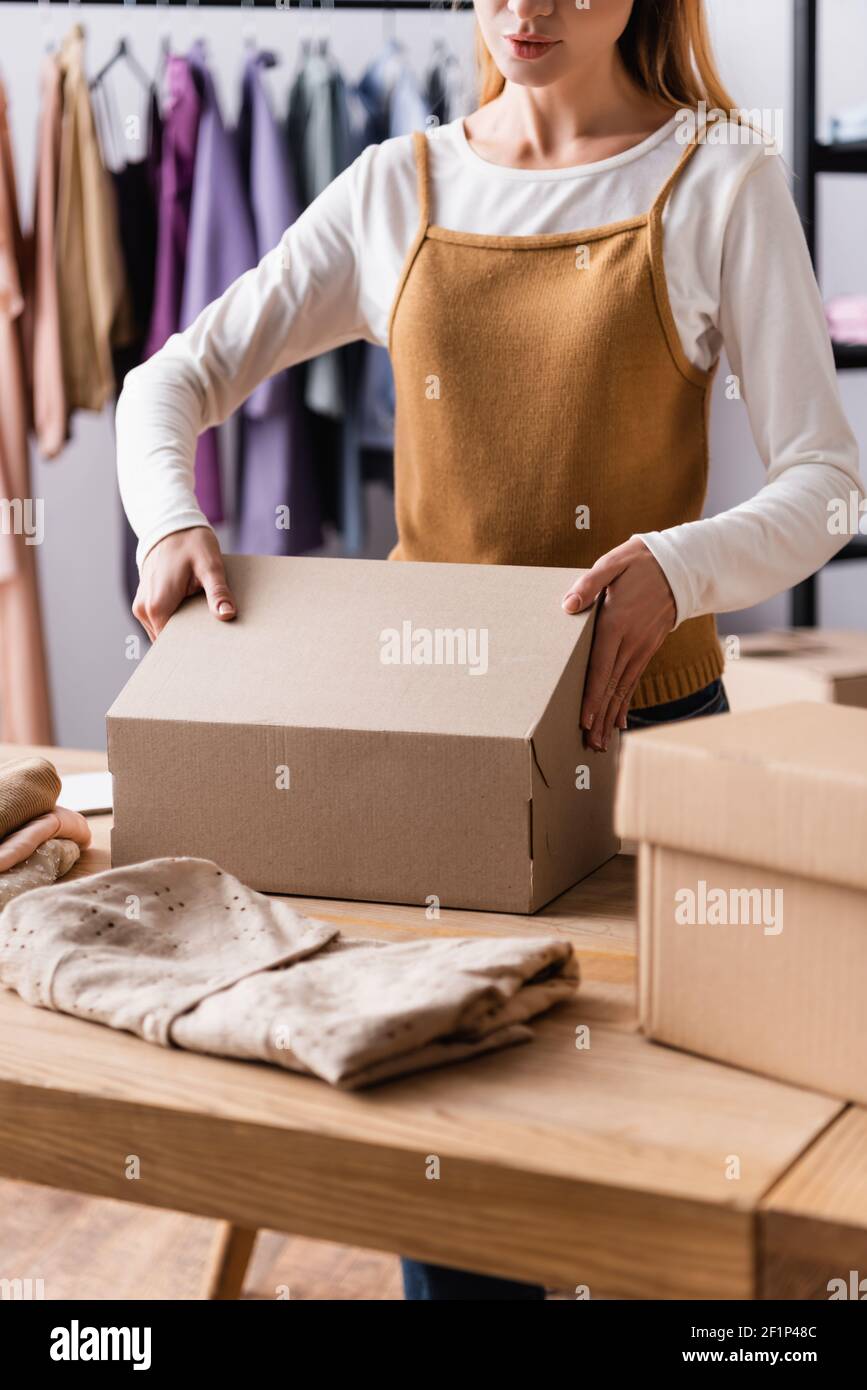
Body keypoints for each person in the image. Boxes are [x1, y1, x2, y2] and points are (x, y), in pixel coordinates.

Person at [116, 0, 862, 1299]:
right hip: (434, 781)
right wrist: (171, 521)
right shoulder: (392, 188)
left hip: (641, 774)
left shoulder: (718, 179)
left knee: (657, 1204)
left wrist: (679, 567)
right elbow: (168, 379)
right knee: (458, 1213)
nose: (528, 8)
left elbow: (829, 485)